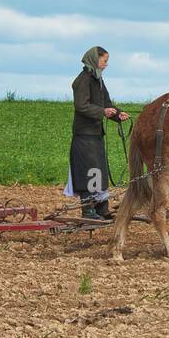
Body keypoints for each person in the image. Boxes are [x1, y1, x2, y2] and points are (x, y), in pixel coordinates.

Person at [69, 46, 129, 220]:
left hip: (95, 135)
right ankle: (88, 210)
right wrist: (102, 112)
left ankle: (102, 208)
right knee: (89, 172)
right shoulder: (83, 80)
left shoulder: (98, 80)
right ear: (95, 60)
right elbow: (81, 106)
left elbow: (107, 103)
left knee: (98, 171)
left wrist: (118, 114)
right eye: (104, 61)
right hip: (84, 135)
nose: (106, 64)